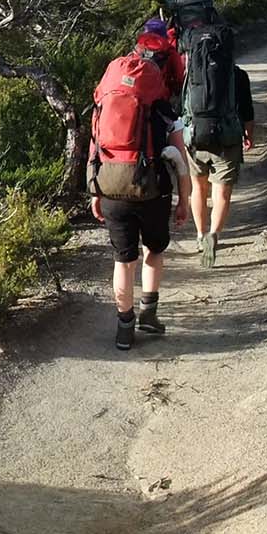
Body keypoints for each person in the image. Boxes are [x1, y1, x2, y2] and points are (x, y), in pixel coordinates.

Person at [88, 24, 193, 351]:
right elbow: (179, 157)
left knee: (123, 261)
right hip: (151, 189)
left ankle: (124, 328)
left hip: (110, 187)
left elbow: (94, 146)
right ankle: (149, 313)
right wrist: (184, 199)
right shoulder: (162, 107)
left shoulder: (106, 99)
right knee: (154, 251)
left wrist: (95, 191)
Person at [187, 63, 254, 267]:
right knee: (222, 192)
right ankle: (213, 235)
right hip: (228, 139)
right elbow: (247, 110)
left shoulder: (192, 72)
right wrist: (249, 134)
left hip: (196, 137)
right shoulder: (238, 75)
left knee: (198, 188)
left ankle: (200, 235)